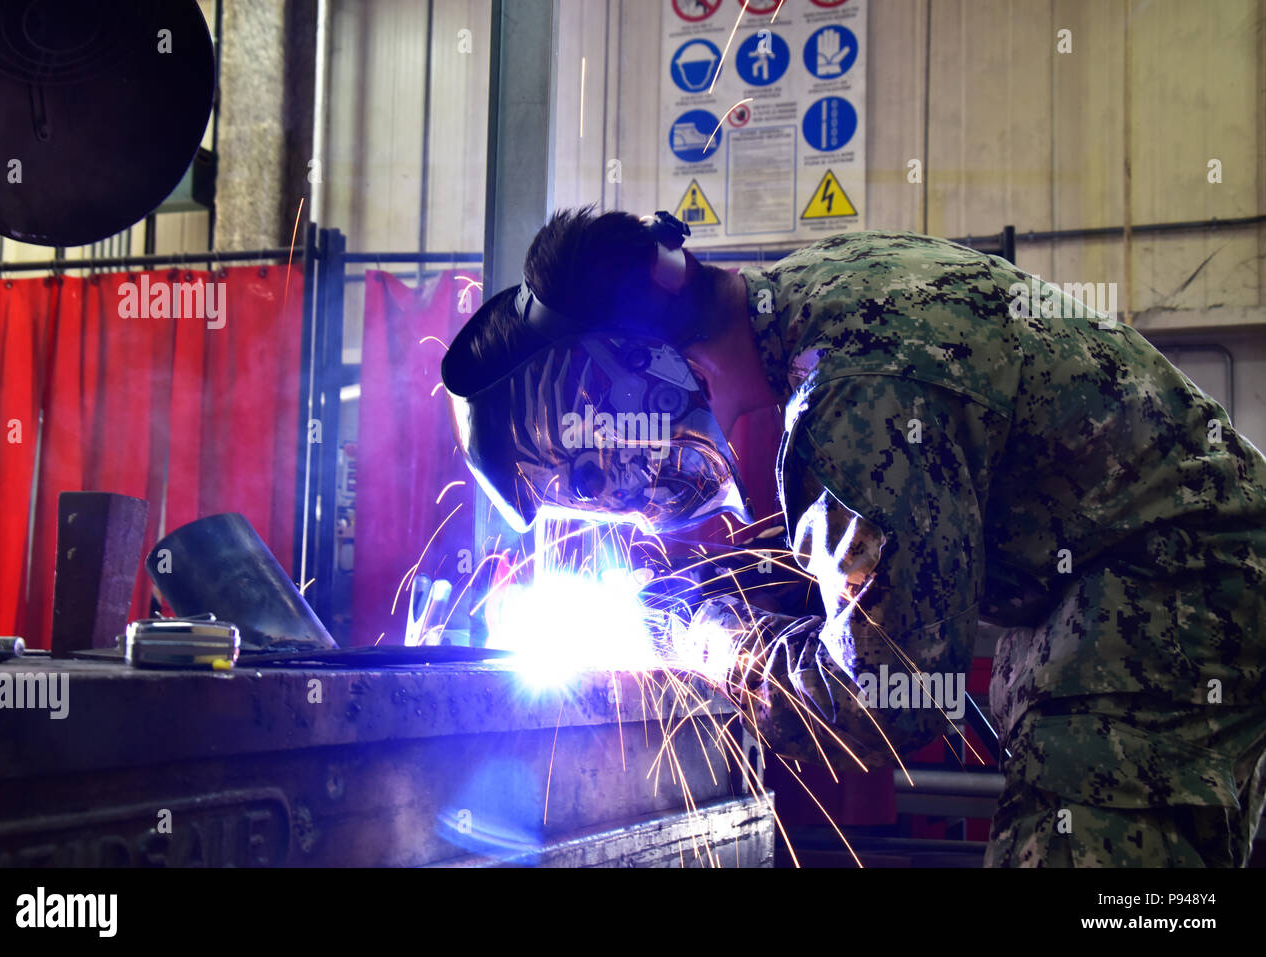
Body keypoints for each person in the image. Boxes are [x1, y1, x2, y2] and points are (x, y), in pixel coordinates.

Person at [441, 206, 1266, 867]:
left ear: (632, 372)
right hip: (1126, 589)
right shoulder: (801, 310)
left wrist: (699, 633)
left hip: (1172, 601)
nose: (624, 507)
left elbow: (878, 703)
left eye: (594, 479)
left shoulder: (847, 397)